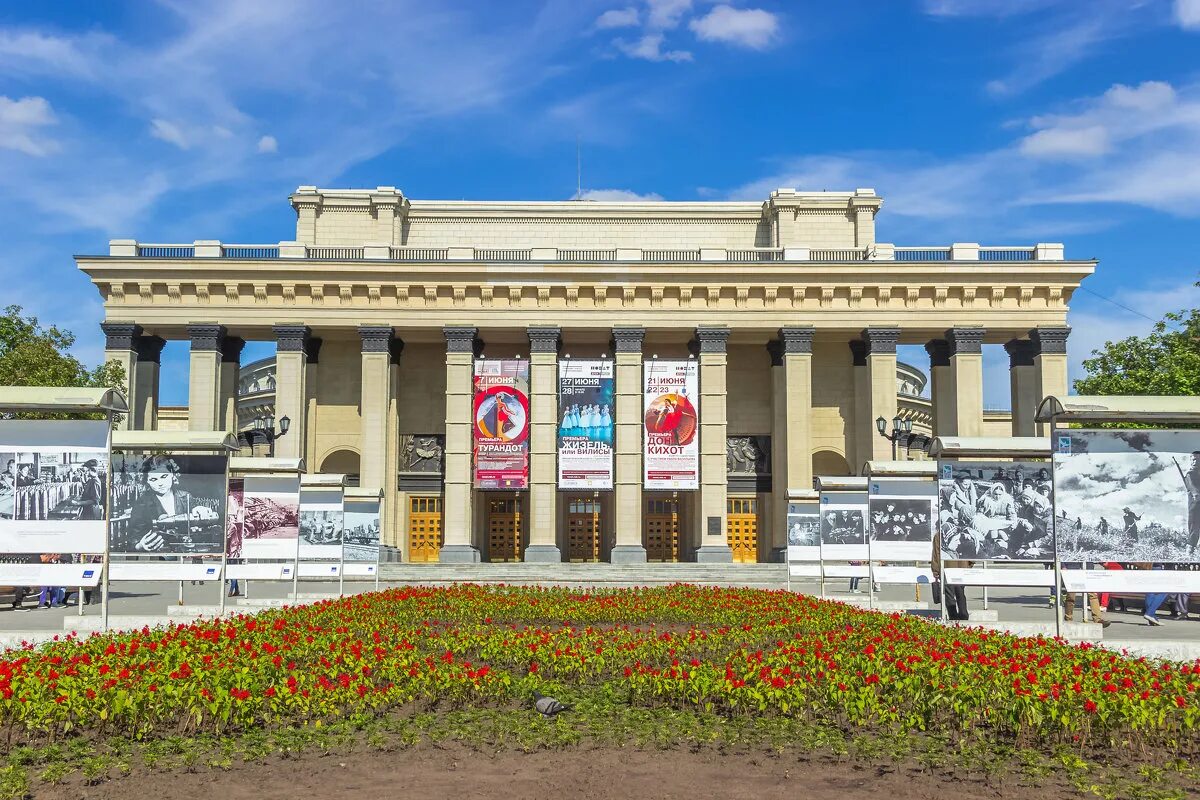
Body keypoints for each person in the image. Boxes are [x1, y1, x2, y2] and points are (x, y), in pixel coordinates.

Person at [128, 455, 218, 552]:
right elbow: (133, 540)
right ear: (147, 481)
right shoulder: (141, 504)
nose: (160, 483)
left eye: (164, 476)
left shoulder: (186, 497)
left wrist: (200, 511)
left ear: (172, 474)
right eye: (153, 479)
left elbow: (199, 523)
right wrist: (140, 545)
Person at [931, 529, 969, 621]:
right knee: (960, 592)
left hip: (946, 569)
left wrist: (935, 570)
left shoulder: (939, 535)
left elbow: (936, 553)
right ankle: (963, 614)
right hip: (960, 568)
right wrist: (969, 564)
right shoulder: (960, 533)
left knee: (949, 594)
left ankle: (953, 616)